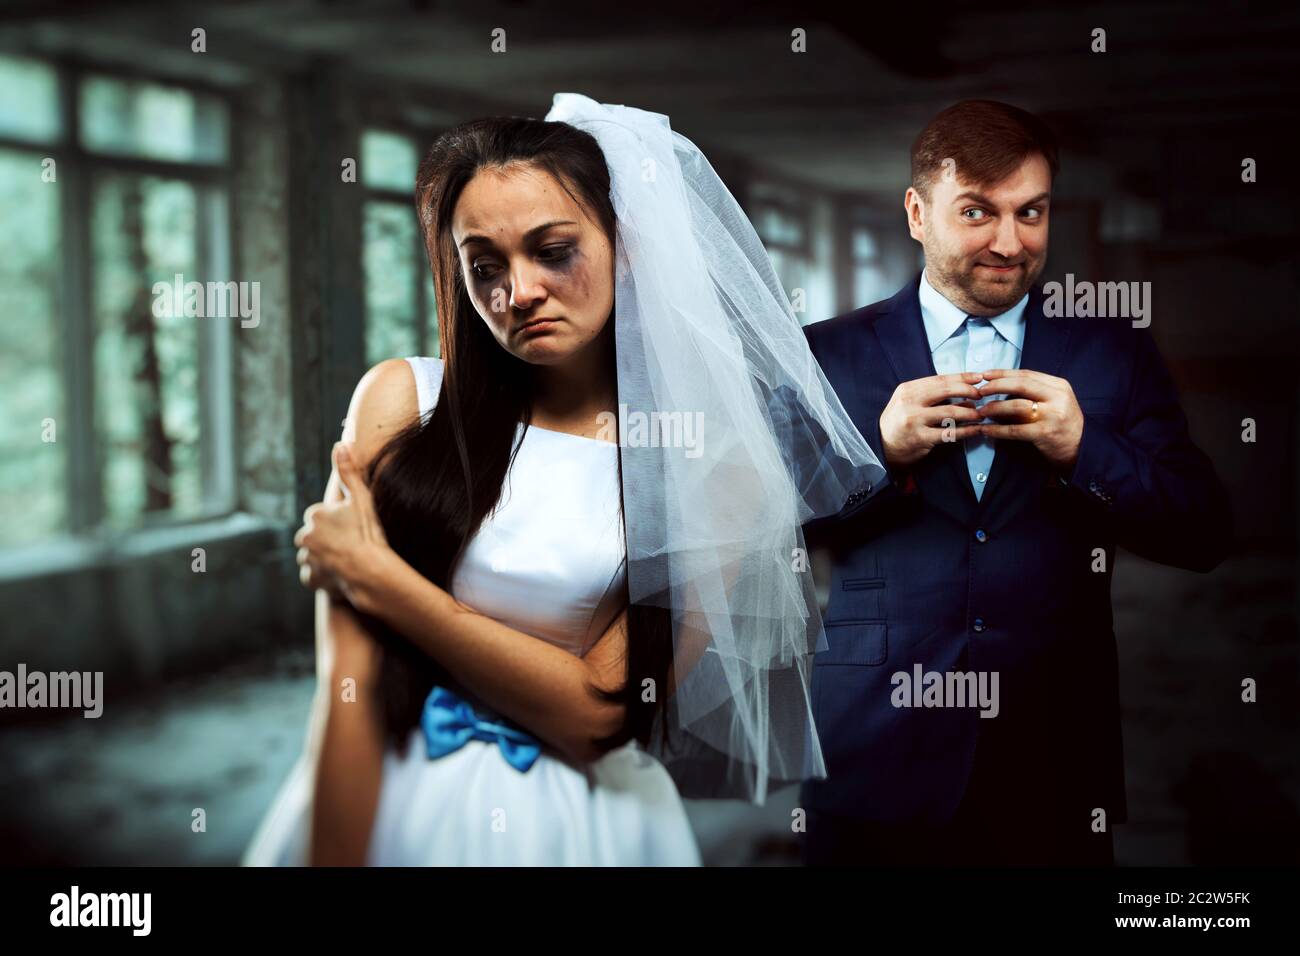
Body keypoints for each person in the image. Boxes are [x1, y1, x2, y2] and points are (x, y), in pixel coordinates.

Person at [242, 93, 883, 866]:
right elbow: (346, 688)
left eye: (552, 250)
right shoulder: (400, 401)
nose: (519, 293)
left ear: (629, 247)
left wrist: (382, 578)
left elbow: (598, 713)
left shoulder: (717, 466)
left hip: (589, 823)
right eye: (485, 266)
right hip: (395, 794)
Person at [799, 99, 1232, 866]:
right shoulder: (826, 354)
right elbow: (761, 533)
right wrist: (878, 452)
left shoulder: (1113, 352)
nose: (1009, 241)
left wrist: (1084, 448)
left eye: (1031, 212)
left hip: (1054, 764)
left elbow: (1203, 533)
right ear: (916, 213)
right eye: (977, 212)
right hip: (872, 757)